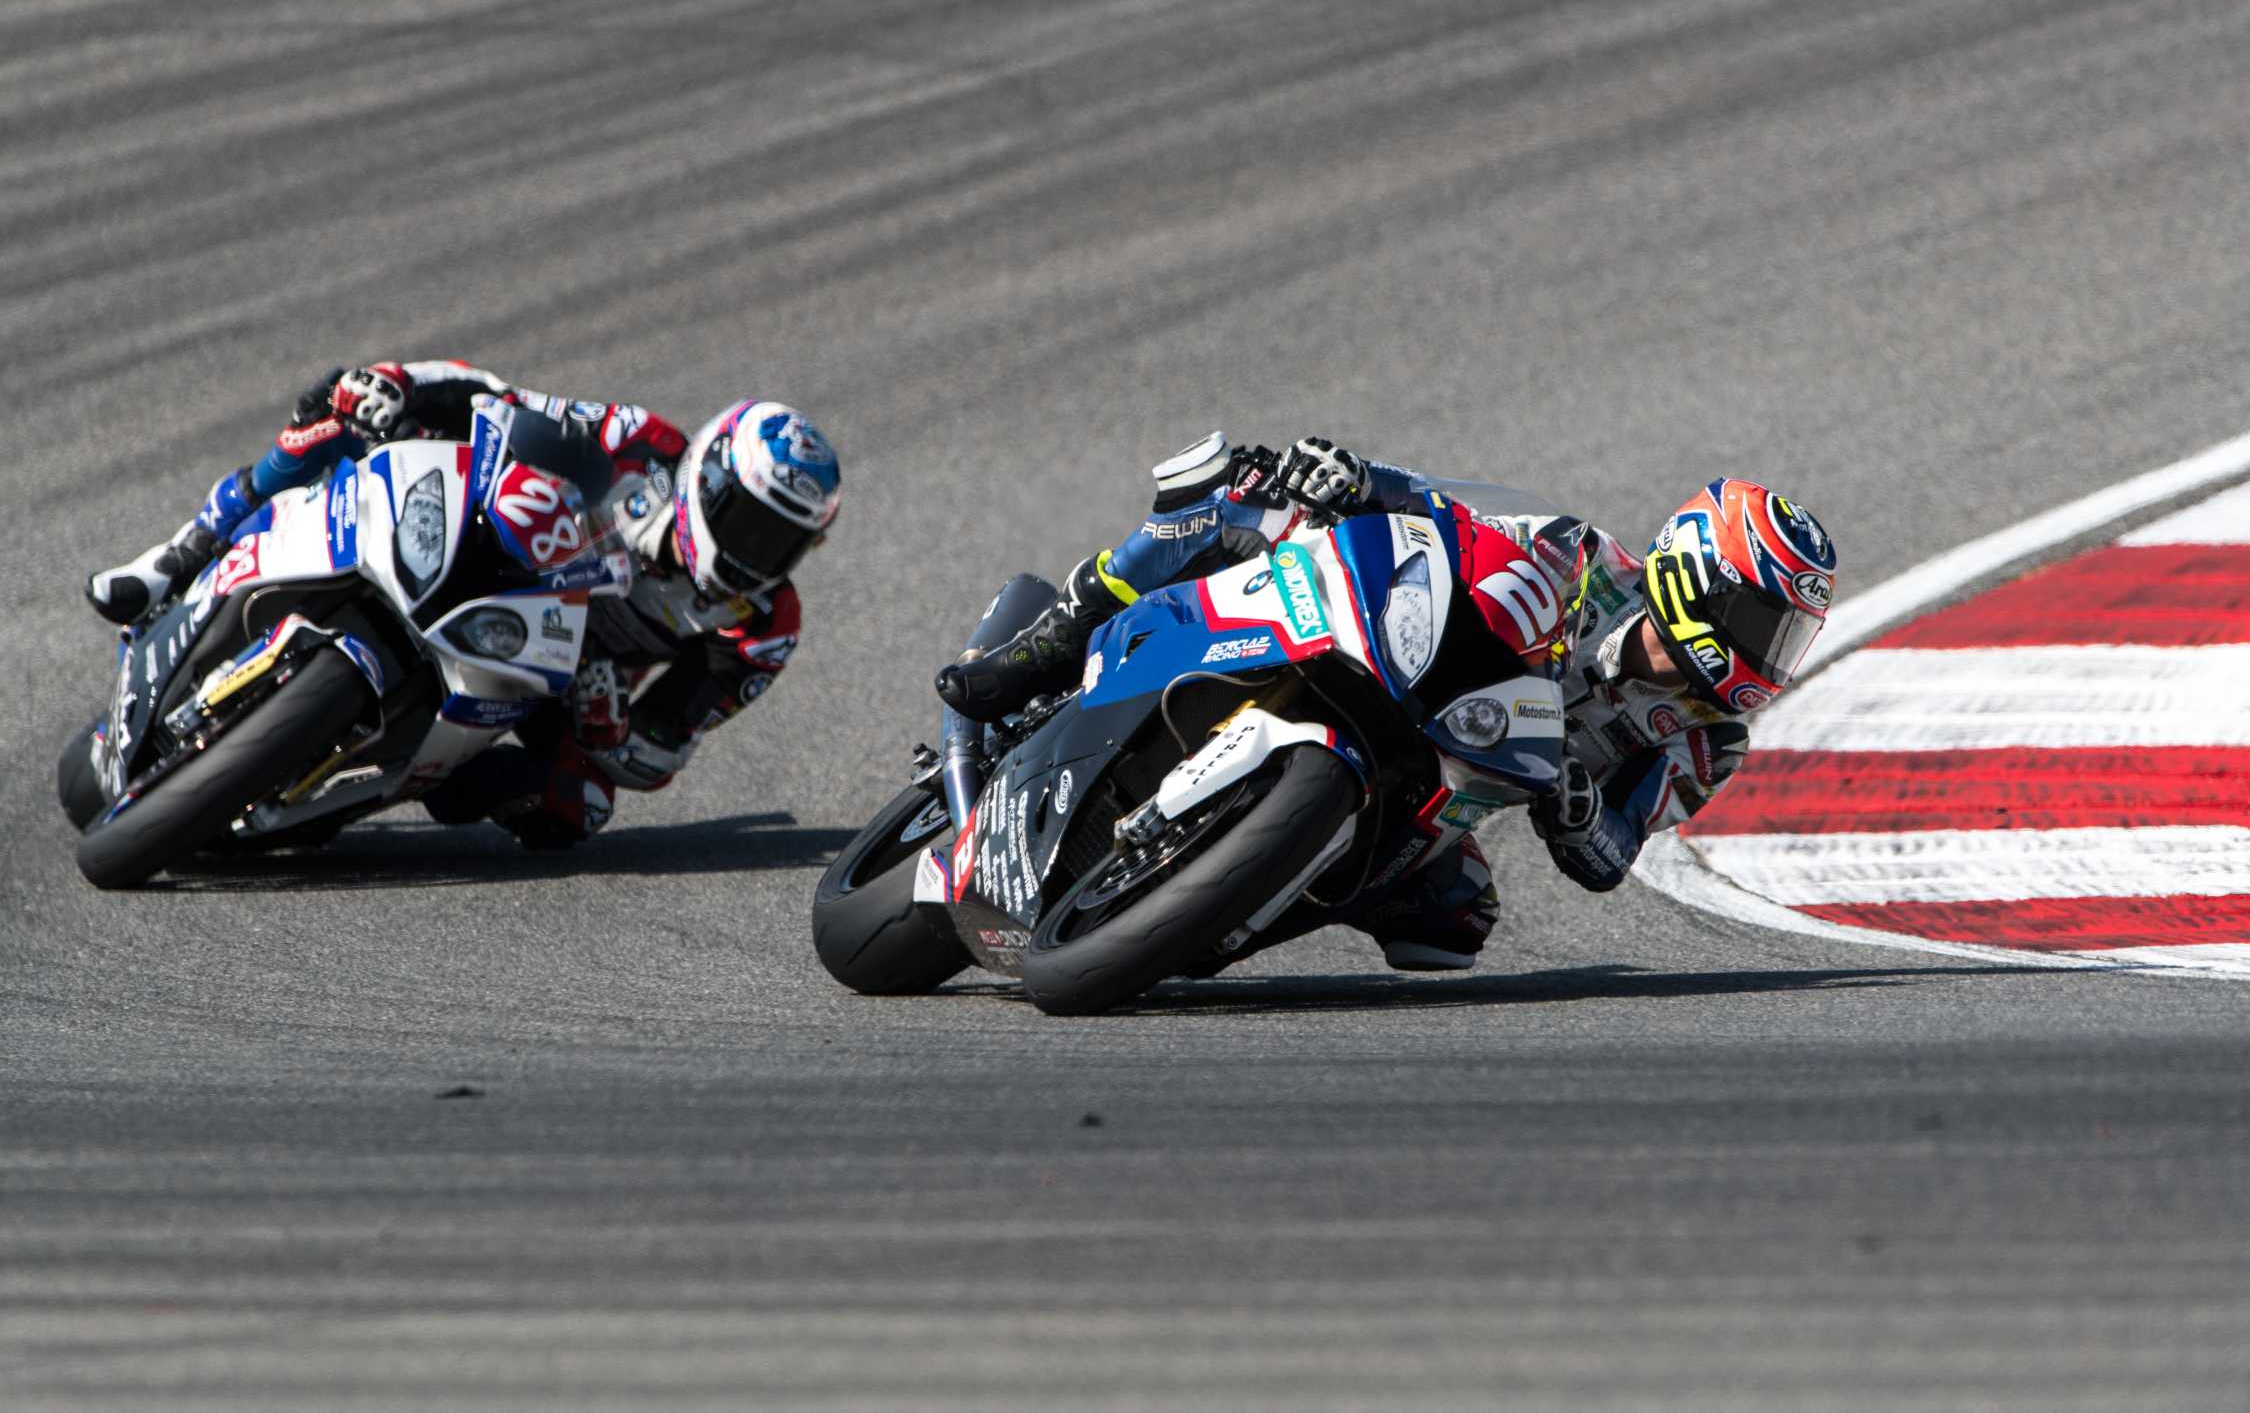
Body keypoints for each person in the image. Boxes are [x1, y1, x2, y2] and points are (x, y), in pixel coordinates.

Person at [935, 433, 1836, 971]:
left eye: (1784, 637)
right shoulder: (1586, 557)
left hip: (1452, 775)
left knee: (1457, 929)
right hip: (1403, 661)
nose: (1764, 653)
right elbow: (1458, 515)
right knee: (1232, 496)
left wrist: (1579, 806)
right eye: (1760, 620)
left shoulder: (1711, 744)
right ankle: (1046, 646)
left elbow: (1611, 858)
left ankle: (1208, 913)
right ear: (1699, 576)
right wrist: (1360, 478)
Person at [86, 361, 841, 850]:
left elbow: (662, 754)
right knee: (332, 416)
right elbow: (510, 404)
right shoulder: (643, 443)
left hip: (561, 681)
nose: (759, 553)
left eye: (785, 542)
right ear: (708, 478)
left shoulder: (762, 630)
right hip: (504, 561)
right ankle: (175, 557)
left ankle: (367, 784)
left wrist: (608, 726)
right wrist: (398, 387)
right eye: (751, 522)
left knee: (580, 808)